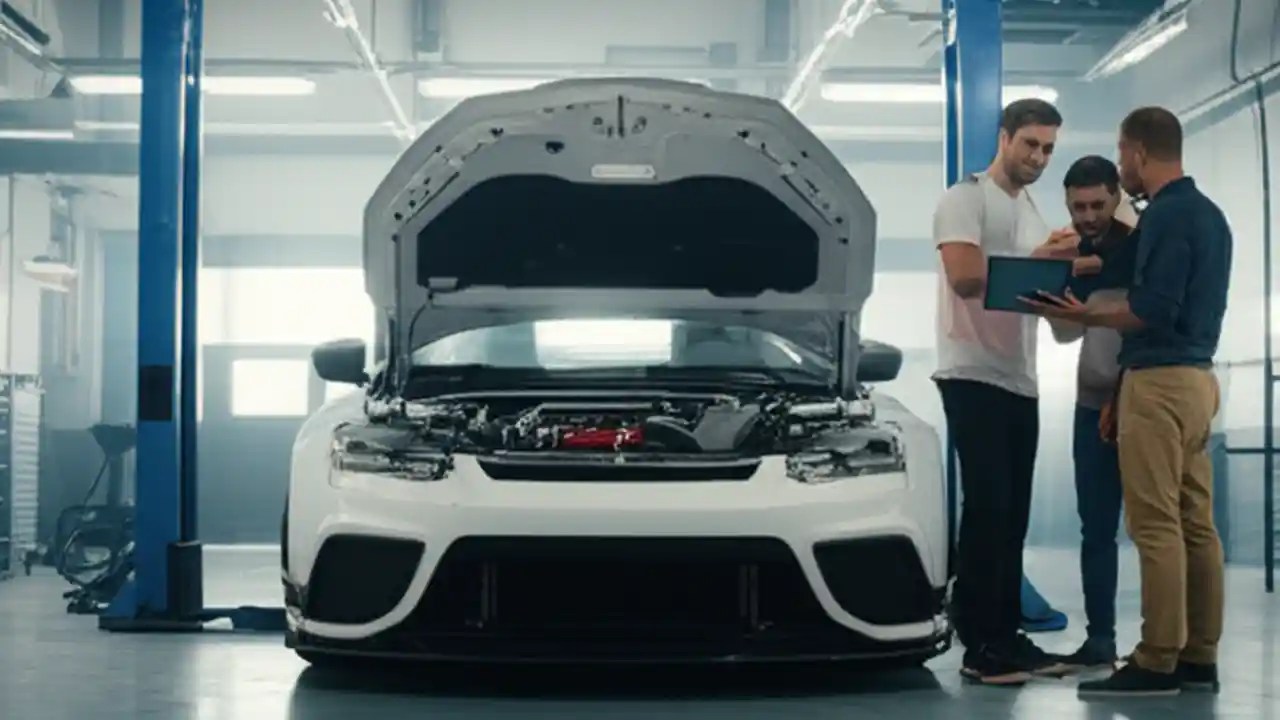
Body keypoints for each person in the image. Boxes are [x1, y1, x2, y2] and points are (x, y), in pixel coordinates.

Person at [1024, 107, 1231, 697]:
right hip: (1199, 380)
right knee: (1196, 524)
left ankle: (1156, 658)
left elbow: (1150, 309)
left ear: (1138, 154)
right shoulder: (1208, 215)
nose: (1121, 165)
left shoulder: (1165, 215)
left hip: (1158, 381)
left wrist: (1082, 314)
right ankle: (1199, 655)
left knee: (1155, 524)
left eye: (1121, 155)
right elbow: (1132, 278)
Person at [932, 98, 1076, 686]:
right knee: (989, 507)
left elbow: (1051, 311)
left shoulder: (1037, 214)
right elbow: (966, 277)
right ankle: (978, 646)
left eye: (1047, 148)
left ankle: (1006, 635)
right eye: (1030, 145)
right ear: (1004, 137)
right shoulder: (964, 199)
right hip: (971, 372)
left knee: (1013, 513)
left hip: (1021, 377)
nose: (1038, 158)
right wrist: (1039, 262)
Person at [1042, 155, 1138, 670]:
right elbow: (1066, 332)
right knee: (1095, 528)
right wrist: (1060, 281)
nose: (1088, 214)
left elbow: (1153, 321)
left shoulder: (1145, 244)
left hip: (1140, 400)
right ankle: (1101, 640)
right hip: (1088, 406)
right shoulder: (1073, 252)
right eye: (1078, 205)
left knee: (1155, 528)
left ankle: (1168, 645)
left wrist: (1124, 395)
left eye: (1097, 203)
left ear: (1116, 196)